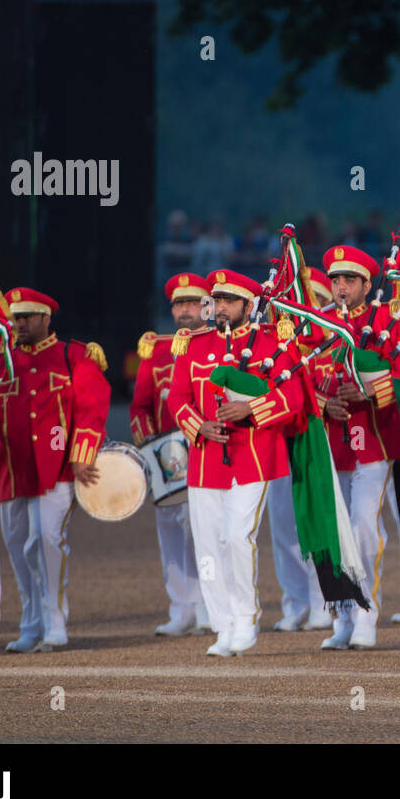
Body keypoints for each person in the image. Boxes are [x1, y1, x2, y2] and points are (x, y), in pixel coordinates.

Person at [166, 269, 306, 657]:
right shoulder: (192, 344)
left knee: (236, 537)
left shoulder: (270, 343)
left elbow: (293, 396)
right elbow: (176, 397)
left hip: (254, 456)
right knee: (209, 549)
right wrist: (199, 426)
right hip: (206, 457)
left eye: (229, 300)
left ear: (250, 304)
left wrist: (250, 407)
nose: (221, 307)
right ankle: (222, 623)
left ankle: (246, 617)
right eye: (217, 300)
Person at [0, 287, 111, 653]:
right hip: (12, 471)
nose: (19, 324)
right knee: (19, 547)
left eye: (26, 317)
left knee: (45, 539)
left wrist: (82, 452)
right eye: (15, 317)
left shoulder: (74, 355)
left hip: (57, 468)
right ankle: (31, 622)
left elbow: (93, 406)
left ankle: (55, 622)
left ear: (45, 318)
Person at [317, 245, 400, 649]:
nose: (341, 287)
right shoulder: (320, 324)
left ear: (367, 284)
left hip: (374, 441)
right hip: (329, 445)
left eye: (349, 280)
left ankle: (365, 614)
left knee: (364, 526)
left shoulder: (388, 322)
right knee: (334, 532)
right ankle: (341, 616)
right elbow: (297, 383)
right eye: (335, 280)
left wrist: (366, 389)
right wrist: (323, 400)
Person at [131, 273, 210, 637]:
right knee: (172, 537)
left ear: (207, 306)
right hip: (168, 462)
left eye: (192, 303)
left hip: (209, 454)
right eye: (179, 304)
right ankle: (182, 609)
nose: (184, 311)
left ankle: (211, 606)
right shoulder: (157, 350)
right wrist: (150, 451)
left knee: (208, 535)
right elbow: (140, 407)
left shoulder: (220, 343)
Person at [262, 266, 333, 633]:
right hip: (278, 443)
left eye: (311, 302)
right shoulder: (273, 348)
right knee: (283, 527)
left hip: (319, 447)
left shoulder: (333, 343)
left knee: (314, 522)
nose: (300, 312)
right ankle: (294, 603)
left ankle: (323, 599)